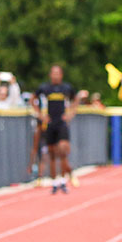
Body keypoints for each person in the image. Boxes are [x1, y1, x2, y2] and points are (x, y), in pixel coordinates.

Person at [34, 65, 85, 193]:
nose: (56, 75)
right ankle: (55, 182)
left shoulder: (66, 88)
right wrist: (41, 115)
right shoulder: (45, 88)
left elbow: (76, 100)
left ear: (61, 75)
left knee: (62, 150)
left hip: (61, 123)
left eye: (58, 73)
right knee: (52, 154)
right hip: (50, 123)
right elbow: (32, 99)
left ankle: (63, 180)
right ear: (50, 75)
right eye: (53, 73)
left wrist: (71, 114)